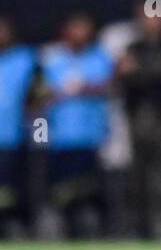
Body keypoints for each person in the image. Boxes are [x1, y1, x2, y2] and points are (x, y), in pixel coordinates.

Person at [40, 13, 114, 238]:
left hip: (92, 139)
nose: (79, 33)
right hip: (60, 140)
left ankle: (96, 238)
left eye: (83, 28)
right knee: (63, 195)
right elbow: (37, 94)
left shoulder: (101, 58)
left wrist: (84, 89)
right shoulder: (51, 59)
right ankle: (64, 236)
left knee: (91, 195)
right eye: (75, 28)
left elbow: (112, 87)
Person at [116, 3, 161, 239]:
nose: (152, 20)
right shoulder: (133, 47)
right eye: (147, 15)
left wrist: (138, 72)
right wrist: (142, 74)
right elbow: (121, 81)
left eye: (157, 14)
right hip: (138, 123)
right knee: (138, 183)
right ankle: (142, 234)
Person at [0, 15, 35, 237]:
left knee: (4, 193)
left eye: (3, 30)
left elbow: (38, 101)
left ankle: (4, 232)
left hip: (9, 138)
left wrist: (41, 137)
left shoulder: (25, 59)